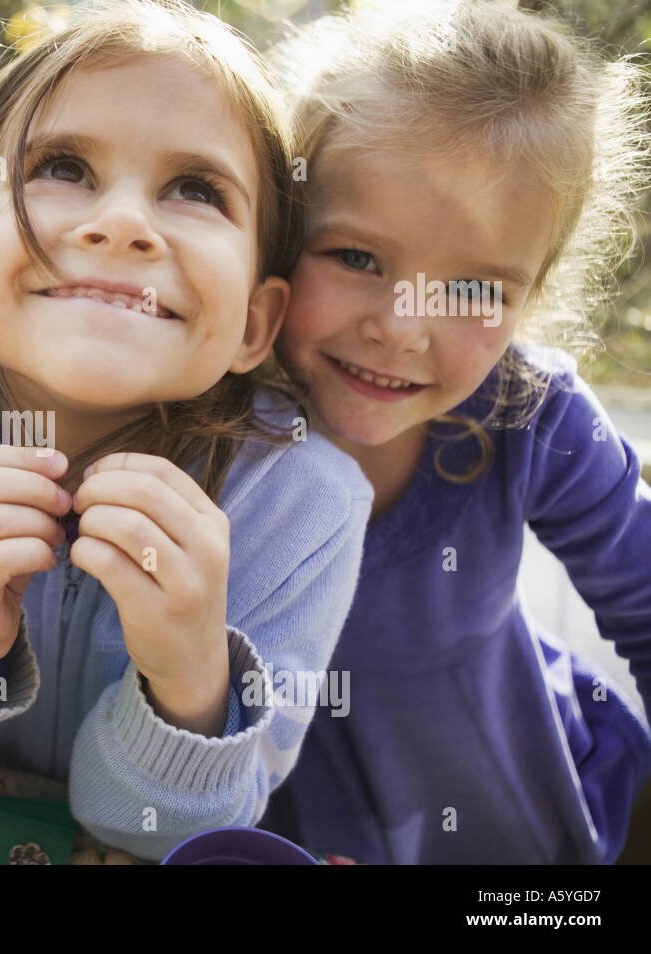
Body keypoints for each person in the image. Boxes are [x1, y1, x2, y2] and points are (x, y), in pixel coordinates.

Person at [0, 0, 373, 861]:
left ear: (257, 323)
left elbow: (184, 834)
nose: (124, 223)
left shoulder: (307, 508)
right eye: (63, 166)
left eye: (195, 189)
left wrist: (188, 682)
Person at [260, 0, 651, 863]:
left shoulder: (530, 412)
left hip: (502, 830)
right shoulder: (209, 407)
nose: (402, 329)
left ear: (531, 297)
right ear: (279, 231)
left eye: (473, 290)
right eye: (357, 258)